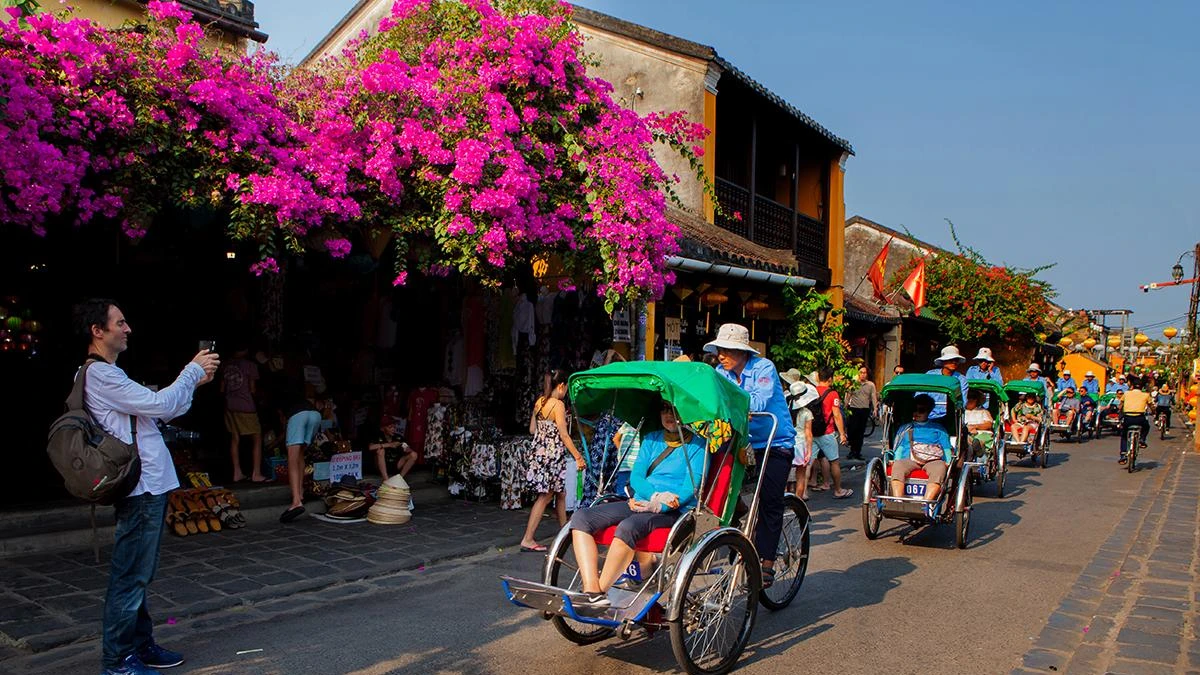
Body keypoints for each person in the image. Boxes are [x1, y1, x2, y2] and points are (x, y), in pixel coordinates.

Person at [73, 299, 219, 675]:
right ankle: (117, 660)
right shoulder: (100, 375)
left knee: (138, 573)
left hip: (149, 484)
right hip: (141, 486)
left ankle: (139, 645)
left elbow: (165, 410)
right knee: (131, 575)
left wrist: (193, 383)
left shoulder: (110, 374)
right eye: (120, 323)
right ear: (97, 330)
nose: (128, 329)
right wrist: (191, 370)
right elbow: (159, 404)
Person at [567, 400, 707, 609]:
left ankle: (599, 593)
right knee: (581, 517)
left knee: (628, 527)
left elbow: (691, 487)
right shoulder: (651, 439)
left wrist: (660, 505)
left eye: (674, 410)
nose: (668, 415)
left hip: (673, 509)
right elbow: (637, 477)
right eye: (664, 409)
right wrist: (654, 497)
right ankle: (592, 590)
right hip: (641, 500)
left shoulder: (698, 445)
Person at [706, 323, 798, 588]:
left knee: (770, 501)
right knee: (715, 485)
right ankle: (737, 518)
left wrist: (728, 404)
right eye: (719, 349)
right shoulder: (720, 372)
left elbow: (758, 402)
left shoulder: (764, 368)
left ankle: (766, 562)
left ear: (742, 351)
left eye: (727, 350)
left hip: (775, 441)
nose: (721, 355)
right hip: (740, 441)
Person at [519, 369, 586, 552]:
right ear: (561, 386)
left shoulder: (539, 402)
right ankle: (528, 539)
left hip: (540, 453)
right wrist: (578, 456)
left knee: (560, 493)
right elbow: (564, 435)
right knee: (545, 496)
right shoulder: (558, 405)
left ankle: (565, 532)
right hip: (552, 455)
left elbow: (532, 429)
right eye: (567, 389)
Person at [889, 394, 954, 510]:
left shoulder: (938, 428)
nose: (917, 413)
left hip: (933, 460)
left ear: (929, 411)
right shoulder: (906, 428)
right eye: (914, 410)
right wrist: (895, 459)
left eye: (921, 410)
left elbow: (946, 447)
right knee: (898, 466)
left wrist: (948, 462)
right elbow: (900, 446)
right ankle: (898, 501)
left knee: (939, 469)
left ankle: (926, 503)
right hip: (909, 458)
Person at [220, 343, 265, 483]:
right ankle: (256, 473)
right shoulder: (250, 365)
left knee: (235, 438)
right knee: (257, 437)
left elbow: (222, 388)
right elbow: (252, 389)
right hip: (246, 406)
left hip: (230, 405)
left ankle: (237, 472)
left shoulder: (225, 365)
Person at [280, 379, 320, 523]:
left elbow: (283, 422)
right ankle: (301, 492)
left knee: (292, 459)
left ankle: (296, 501)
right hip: (315, 415)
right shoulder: (300, 394)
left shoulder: (280, 399)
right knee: (300, 455)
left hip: (298, 416)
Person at [810, 367, 853, 499]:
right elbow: (837, 415)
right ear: (830, 379)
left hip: (811, 432)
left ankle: (802, 493)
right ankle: (838, 490)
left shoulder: (811, 391)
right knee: (834, 462)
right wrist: (842, 434)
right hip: (827, 432)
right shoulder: (833, 394)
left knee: (807, 463)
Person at [786, 379, 817, 500]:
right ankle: (798, 501)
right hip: (801, 445)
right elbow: (808, 433)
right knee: (801, 476)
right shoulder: (806, 413)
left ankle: (783, 500)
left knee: (784, 475)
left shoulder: (786, 410)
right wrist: (809, 451)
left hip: (788, 443)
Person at [844, 365, 878, 461]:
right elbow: (848, 395)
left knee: (860, 432)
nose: (862, 374)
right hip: (853, 409)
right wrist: (845, 406)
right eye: (861, 373)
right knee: (852, 430)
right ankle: (852, 450)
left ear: (867, 374)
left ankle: (857, 452)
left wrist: (875, 409)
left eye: (864, 373)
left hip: (864, 410)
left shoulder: (870, 385)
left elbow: (873, 396)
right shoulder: (854, 384)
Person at [924, 345, 969, 419]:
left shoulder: (962, 379)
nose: (954, 362)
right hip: (928, 416)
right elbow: (920, 396)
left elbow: (962, 402)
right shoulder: (930, 375)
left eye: (956, 360)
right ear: (943, 361)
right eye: (950, 359)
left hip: (951, 418)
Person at [1119, 377, 1151, 464]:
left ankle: (1123, 455)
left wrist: (1120, 413)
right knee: (1146, 427)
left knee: (1124, 435)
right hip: (1139, 418)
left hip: (1128, 417)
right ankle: (1142, 440)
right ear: (1142, 387)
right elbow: (1151, 405)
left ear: (1132, 386)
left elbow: (1120, 404)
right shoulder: (1146, 395)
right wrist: (1154, 412)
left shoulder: (1126, 393)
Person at [610, 420, 642, 497]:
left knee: (621, 492)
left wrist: (622, 453)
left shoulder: (627, 424)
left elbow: (615, 439)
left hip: (624, 463)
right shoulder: (645, 426)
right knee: (636, 492)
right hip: (637, 464)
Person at [963, 389, 994, 462]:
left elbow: (989, 424)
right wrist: (968, 429)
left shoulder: (983, 411)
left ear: (977, 400)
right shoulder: (962, 413)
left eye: (973, 397)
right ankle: (973, 448)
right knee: (965, 438)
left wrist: (975, 426)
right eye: (968, 397)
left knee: (979, 439)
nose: (970, 399)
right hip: (966, 434)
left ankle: (977, 447)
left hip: (982, 433)